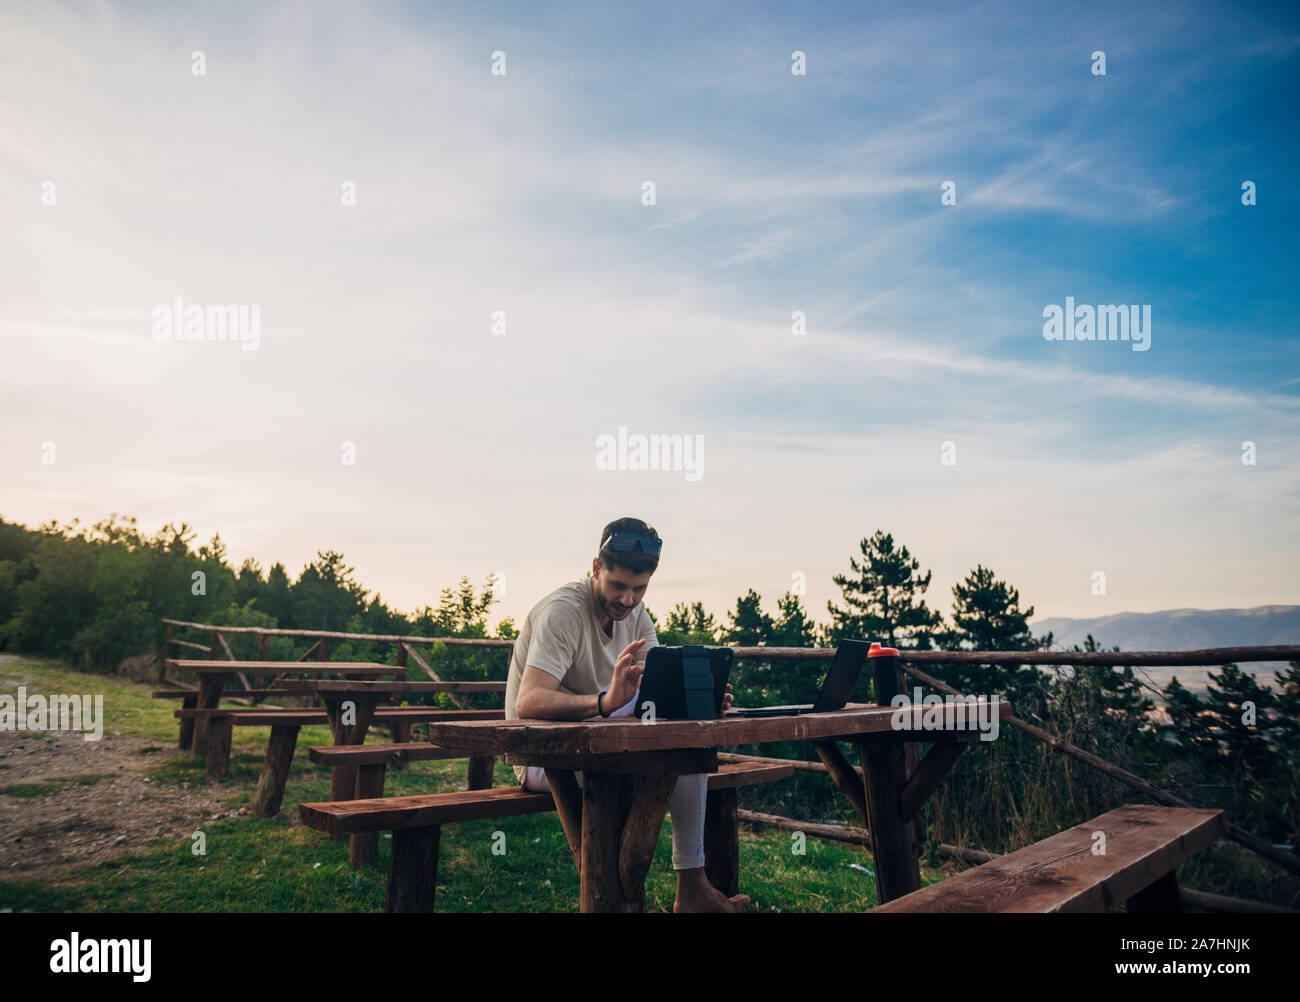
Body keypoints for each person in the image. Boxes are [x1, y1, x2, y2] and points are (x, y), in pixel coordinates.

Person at [504, 516, 748, 913]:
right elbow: (529, 702)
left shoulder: (635, 613)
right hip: (539, 755)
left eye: (639, 588)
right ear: (596, 568)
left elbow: (655, 682)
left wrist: (693, 701)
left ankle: (691, 887)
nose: (628, 600)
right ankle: (631, 897)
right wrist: (604, 702)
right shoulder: (563, 610)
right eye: (618, 585)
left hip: (600, 740)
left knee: (690, 744)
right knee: (671, 759)